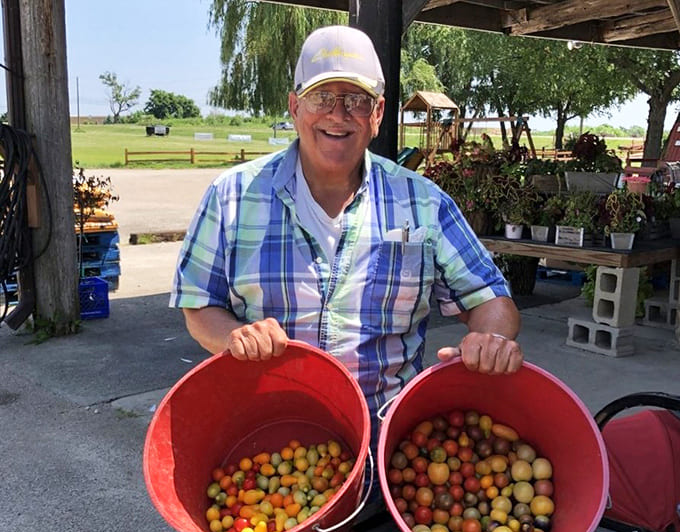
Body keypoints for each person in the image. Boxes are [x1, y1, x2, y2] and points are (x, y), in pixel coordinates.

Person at [171, 24, 523, 450]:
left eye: (356, 100)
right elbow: (198, 303)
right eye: (322, 97)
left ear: (377, 114)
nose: (338, 115)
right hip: (269, 439)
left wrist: (492, 338)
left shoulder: (424, 203)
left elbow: (490, 298)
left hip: (390, 446)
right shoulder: (231, 196)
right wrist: (232, 336)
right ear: (295, 106)